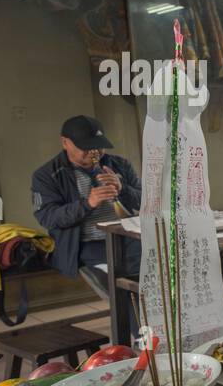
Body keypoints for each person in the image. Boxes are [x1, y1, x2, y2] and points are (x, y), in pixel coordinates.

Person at [31, 115, 142, 294]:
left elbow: (148, 202)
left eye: (98, 146)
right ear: (65, 142)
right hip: (87, 244)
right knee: (120, 291)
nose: (94, 152)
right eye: (86, 147)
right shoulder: (46, 175)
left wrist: (123, 189)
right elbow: (48, 217)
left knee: (155, 274)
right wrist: (88, 204)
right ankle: (132, 319)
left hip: (125, 236)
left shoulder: (120, 165)